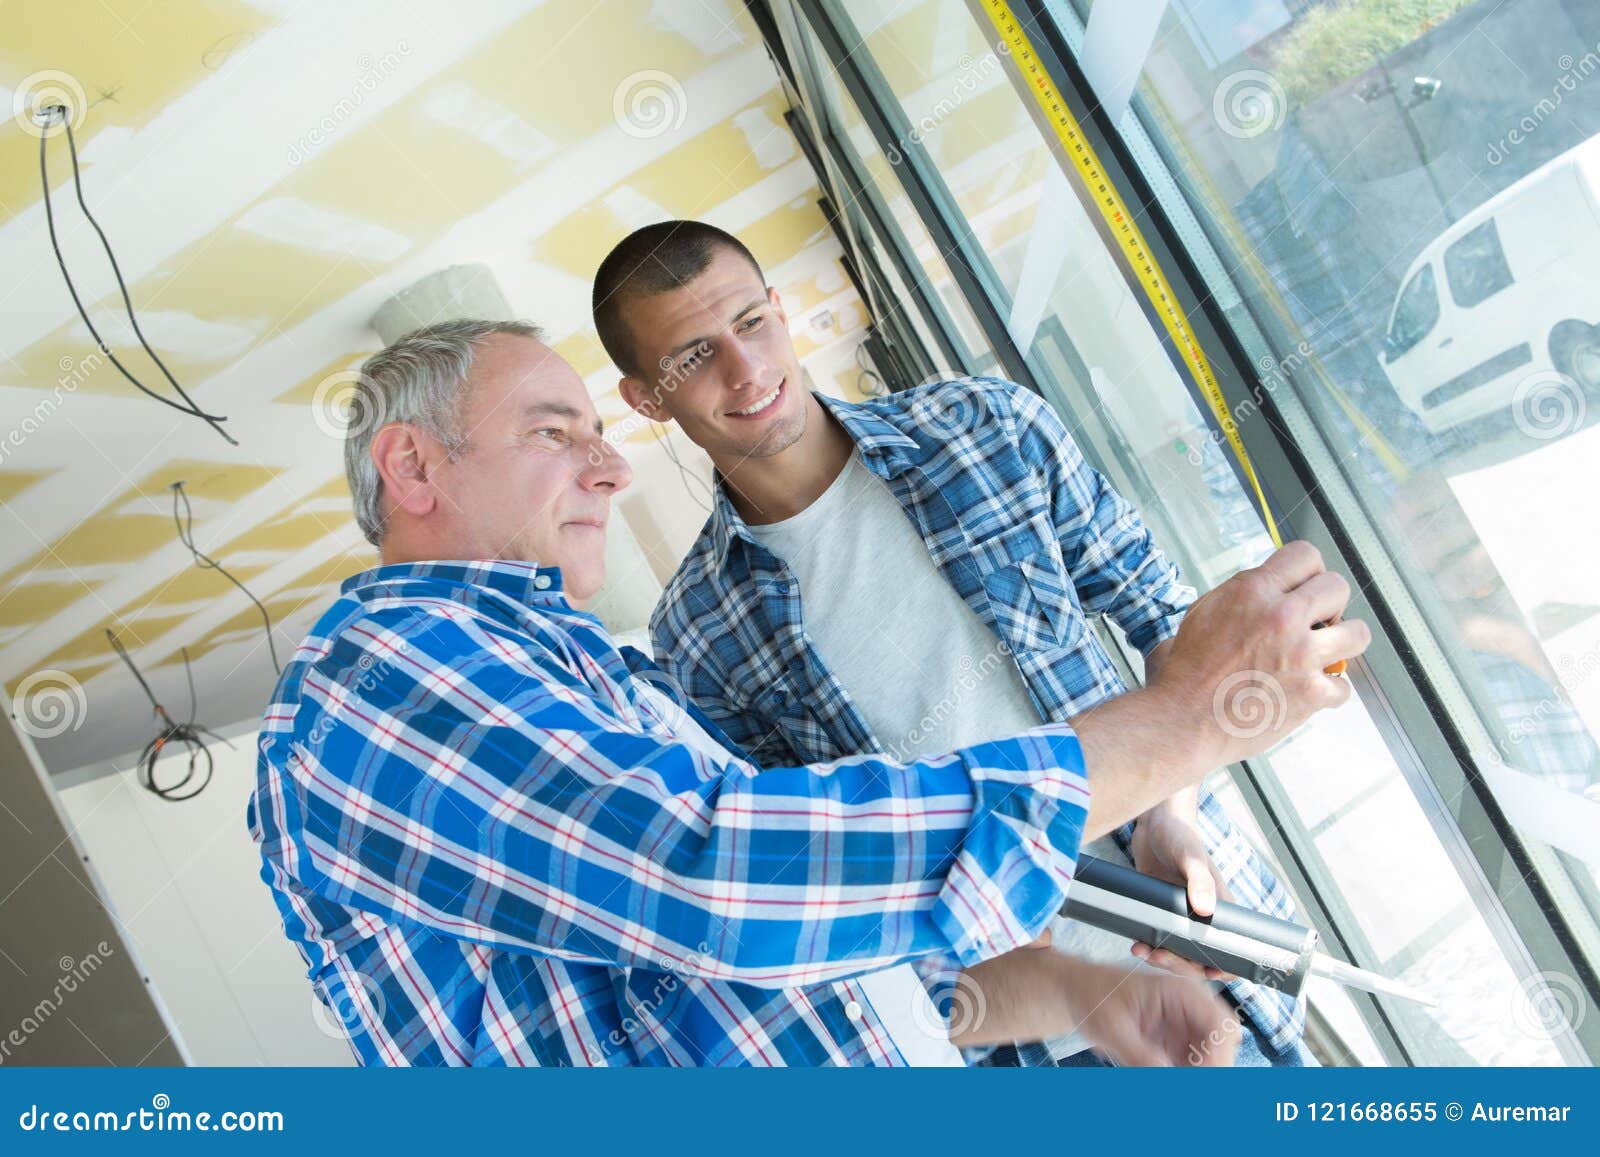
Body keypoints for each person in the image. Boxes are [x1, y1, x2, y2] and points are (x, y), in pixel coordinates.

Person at [248, 317, 1366, 1066]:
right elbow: (716, 874)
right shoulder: (376, 676)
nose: (611, 465)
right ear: (412, 466)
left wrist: (1079, 994)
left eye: (598, 431)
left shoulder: (594, 678)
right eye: (554, 432)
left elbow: (806, 957)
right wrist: (1183, 717)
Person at [597, 221, 1361, 1066]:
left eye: (750, 322)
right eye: (694, 357)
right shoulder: (698, 632)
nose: (745, 370)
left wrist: (1170, 815)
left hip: (1201, 944)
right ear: (647, 399)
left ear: (780, 310)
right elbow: (827, 885)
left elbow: (1166, 621)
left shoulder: (981, 426)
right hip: (1029, 1045)